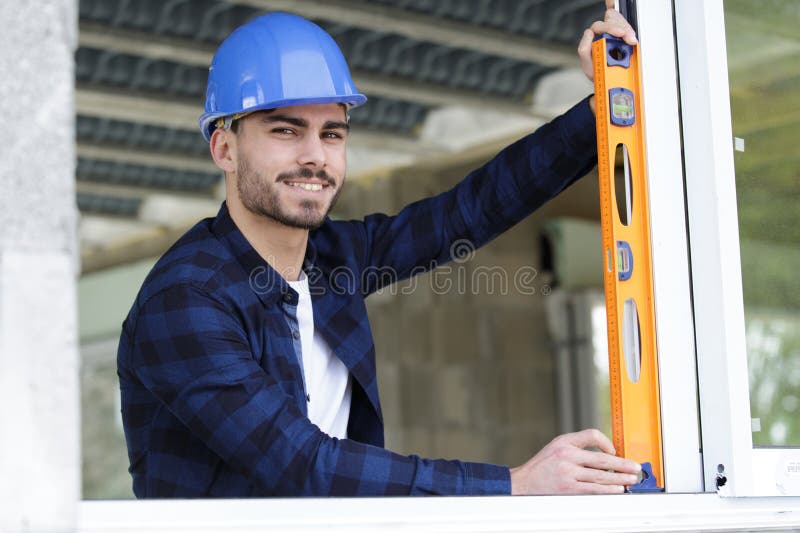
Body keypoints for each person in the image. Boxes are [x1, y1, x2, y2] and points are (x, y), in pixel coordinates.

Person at [117, 1, 641, 498]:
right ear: (224, 148)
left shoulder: (331, 258)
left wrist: (602, 105)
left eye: (332, 134)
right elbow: (302, 465)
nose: (314, 157)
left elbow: (467, 212)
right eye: (285, 131)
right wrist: (514, 483)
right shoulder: (186, 299)